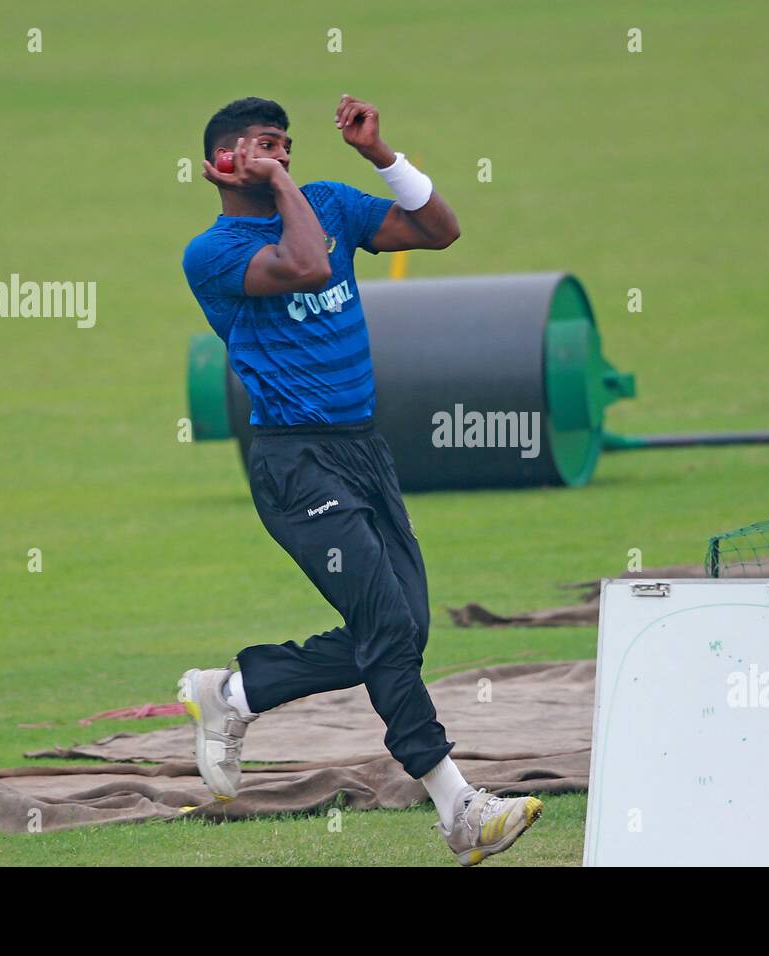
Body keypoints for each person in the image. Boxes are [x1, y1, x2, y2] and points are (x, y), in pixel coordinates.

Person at [178, 95, 542, 865]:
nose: (276, 156)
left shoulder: (332, 205)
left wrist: (382, 156)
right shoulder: (210, 252)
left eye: (283, 146)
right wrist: (281, 189)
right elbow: (305, 264)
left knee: (402, 631)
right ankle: (459, 807)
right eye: (257, 147)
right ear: (218, 165)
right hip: (293, 462)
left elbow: (441, 231)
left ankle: (234, 696)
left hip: (363, 451)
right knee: (385, 628)